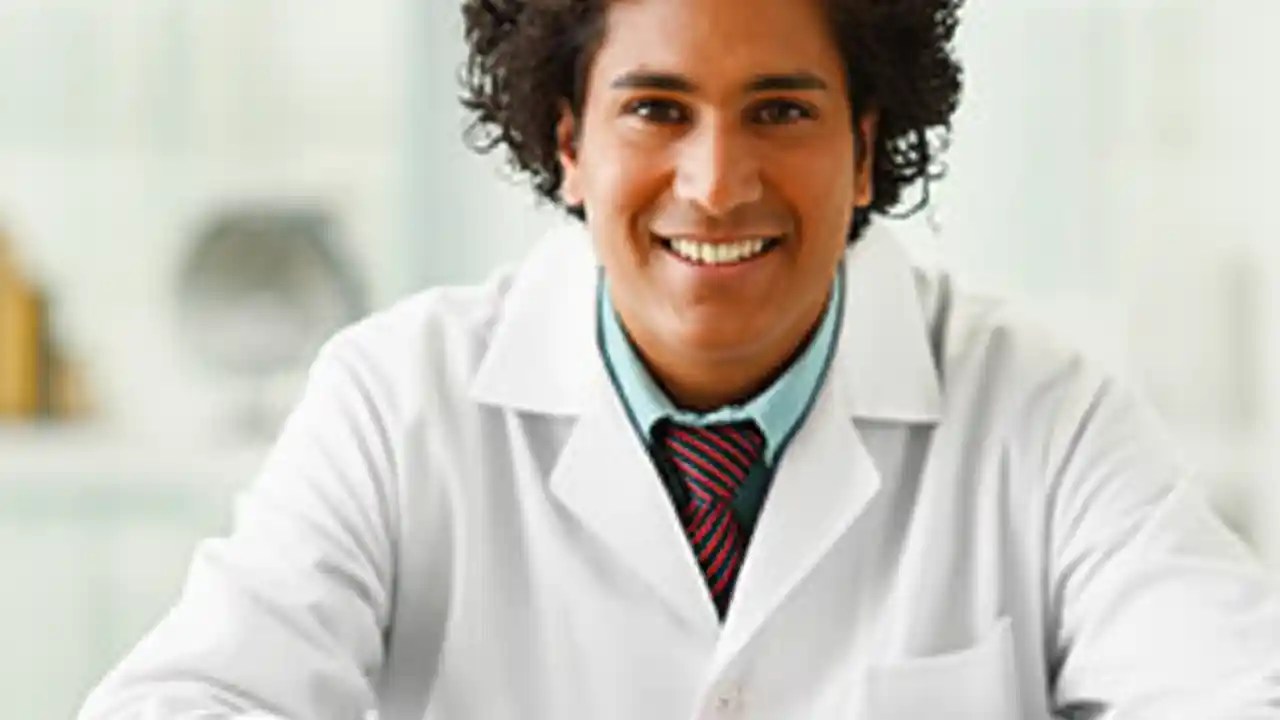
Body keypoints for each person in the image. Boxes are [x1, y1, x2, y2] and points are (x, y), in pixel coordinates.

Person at [80, 0, 1280, 717]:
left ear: (866, 150)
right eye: (657, 110)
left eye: (780, 110)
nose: (715, 184)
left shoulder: (1040, 415)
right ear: (568, 144)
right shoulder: (397, 401)